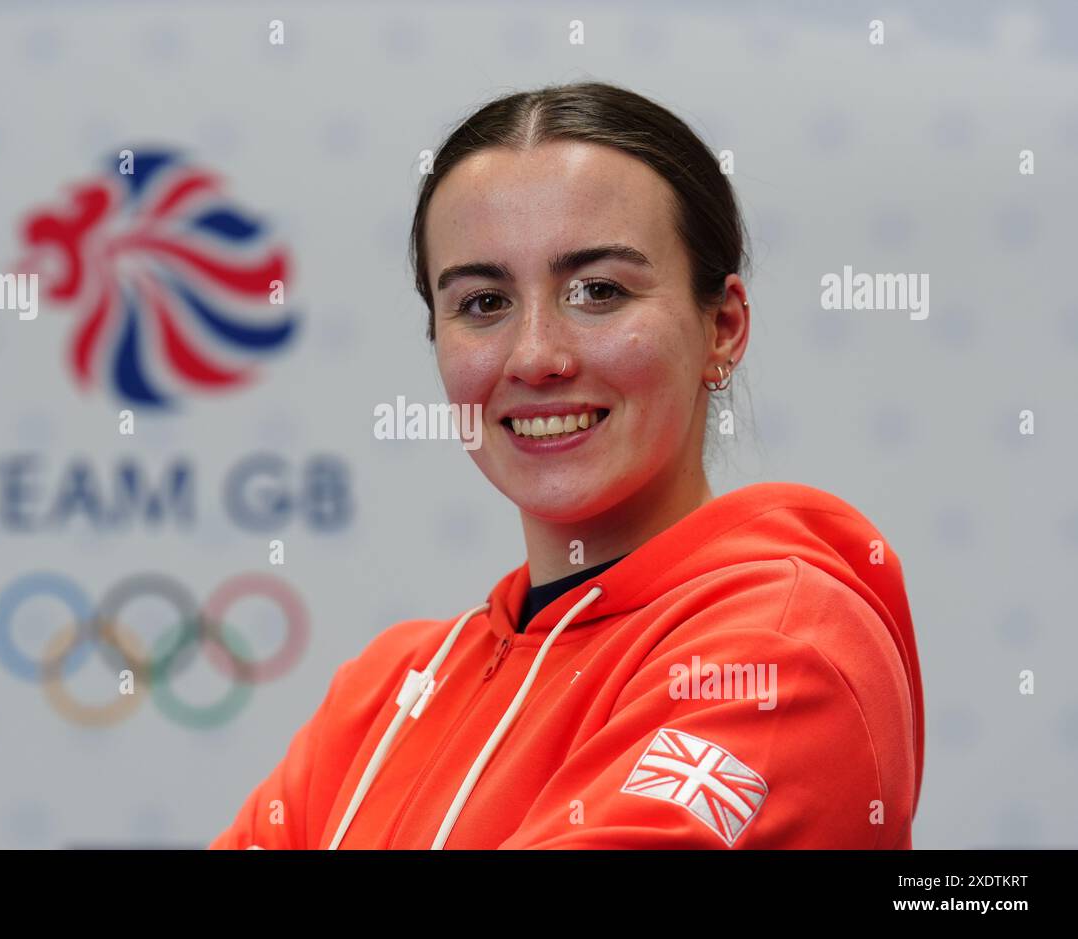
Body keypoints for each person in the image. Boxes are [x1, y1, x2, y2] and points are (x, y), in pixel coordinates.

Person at [209, 81, 923, 850]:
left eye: (599, 291)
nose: (536, 356)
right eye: (483, 302)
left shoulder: (781, 654)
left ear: (722, 326)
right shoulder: (381, 694)